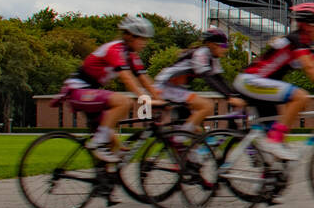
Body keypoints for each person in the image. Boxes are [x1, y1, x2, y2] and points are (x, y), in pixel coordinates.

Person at [234, 2, 314, 160]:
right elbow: (310, 68)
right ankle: (273, 141)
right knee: (300, 96)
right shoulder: (295, 40)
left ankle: (270, 175)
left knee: (279, 141)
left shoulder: (305, 45)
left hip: (261, 85)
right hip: (251, 81)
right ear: (309, 26)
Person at [59, 15, 164, 164]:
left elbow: (144, 79)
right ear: (129, 36)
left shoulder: (131, 56)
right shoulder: (115, 49)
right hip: (78, 90)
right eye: (142, 38)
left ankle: (104, 182)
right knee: (124, 102)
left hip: (90, 91)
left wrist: (161, 99)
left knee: (115, 146)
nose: (144, 43)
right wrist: (146, 99)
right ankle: (98, 144)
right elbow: (127, 78)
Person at [155, 28, 244, 135]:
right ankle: (181, 138)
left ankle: (180, 143)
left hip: (177, 87)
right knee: (207, 106)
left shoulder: (213, 57)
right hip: (166, 86)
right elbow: (208, 77)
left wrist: (232, 95)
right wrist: (229, 97)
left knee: (197, 131)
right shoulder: (201, 53)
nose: (226, 50)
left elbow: (219, 78)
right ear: (212, 45)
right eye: (224, 46)